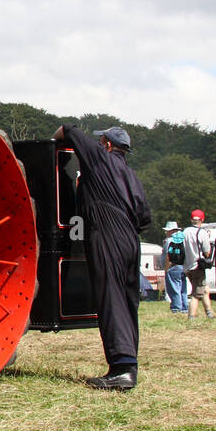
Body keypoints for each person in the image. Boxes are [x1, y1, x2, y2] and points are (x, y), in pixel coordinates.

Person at [53, 125, 151, 390]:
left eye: (101, 139)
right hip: (131, 238)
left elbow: (67, 130)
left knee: (111, 297)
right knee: (128, 301)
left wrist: (53, 145)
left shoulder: (99, 158)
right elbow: (145, 217)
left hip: (107, 234)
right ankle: (129, 364)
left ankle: (121, 368)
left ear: (107, 145)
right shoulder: (131, 175)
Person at [183, 209, 215, 319]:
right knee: (196, 295)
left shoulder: (184, 231)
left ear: (191, 219)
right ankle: (191, 316)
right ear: (202, 220)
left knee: (204, 289)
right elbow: (207, 252)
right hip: (197, 266)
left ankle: (209, 312)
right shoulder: (202, 233)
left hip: (187, 266)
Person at [161, 220, 187, 314]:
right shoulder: (182, 239)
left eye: (167, 230)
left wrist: (166, 268)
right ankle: (184, 307)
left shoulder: (169, 241)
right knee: (182, 289)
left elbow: (168, 256)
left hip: (173, 266)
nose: (166, 232)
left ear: (171, 231)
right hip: (182, 266)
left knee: (174, 288)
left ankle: (176, 308)